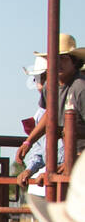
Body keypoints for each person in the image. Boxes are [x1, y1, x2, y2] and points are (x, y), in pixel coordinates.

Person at [16, 33, 85, 172]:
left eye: (63, 59)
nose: (58, 63)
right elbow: (49, 115)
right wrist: (29, 141)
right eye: (54, 59)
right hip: (70, 159)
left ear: (74, 62)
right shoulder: (50, 86)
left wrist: (76, 160)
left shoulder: (80, 88)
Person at [17, 56, 65, 198]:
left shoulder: (68, 102)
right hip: (54, 177)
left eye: (44, 77)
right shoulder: (40, 114)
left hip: (64, 176)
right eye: (40, 78)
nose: (41, 84)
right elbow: (40, 149)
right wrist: (29, 170)